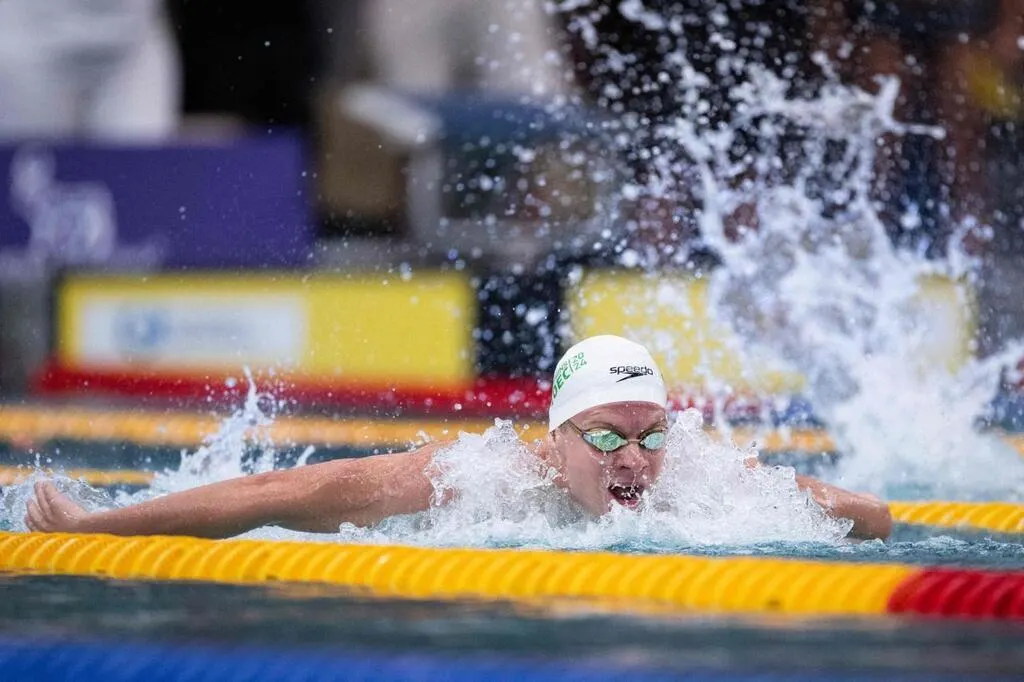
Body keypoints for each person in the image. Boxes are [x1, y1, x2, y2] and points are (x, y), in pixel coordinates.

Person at [25, 335, 893, 540]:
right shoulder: (479, 478)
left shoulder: (703, 481)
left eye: (649, 434)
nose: (632, 460)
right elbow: (280, 494)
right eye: (603, 437)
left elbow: (868, 516)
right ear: (553, 441)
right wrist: (94, 530)